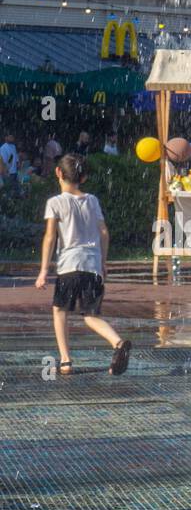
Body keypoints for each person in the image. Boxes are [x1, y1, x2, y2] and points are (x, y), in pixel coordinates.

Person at [34, 154, 131, 376]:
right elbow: (104, 232)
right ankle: (117, 342)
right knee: (91, 315)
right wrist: (103, 262)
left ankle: (66, 360)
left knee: (59, 310)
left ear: (58, 173)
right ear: (84, 177)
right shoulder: (92, 200)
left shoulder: (55, 203)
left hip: (69, 265)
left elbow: (50, 237)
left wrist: (43, 271)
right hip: (92, 265)